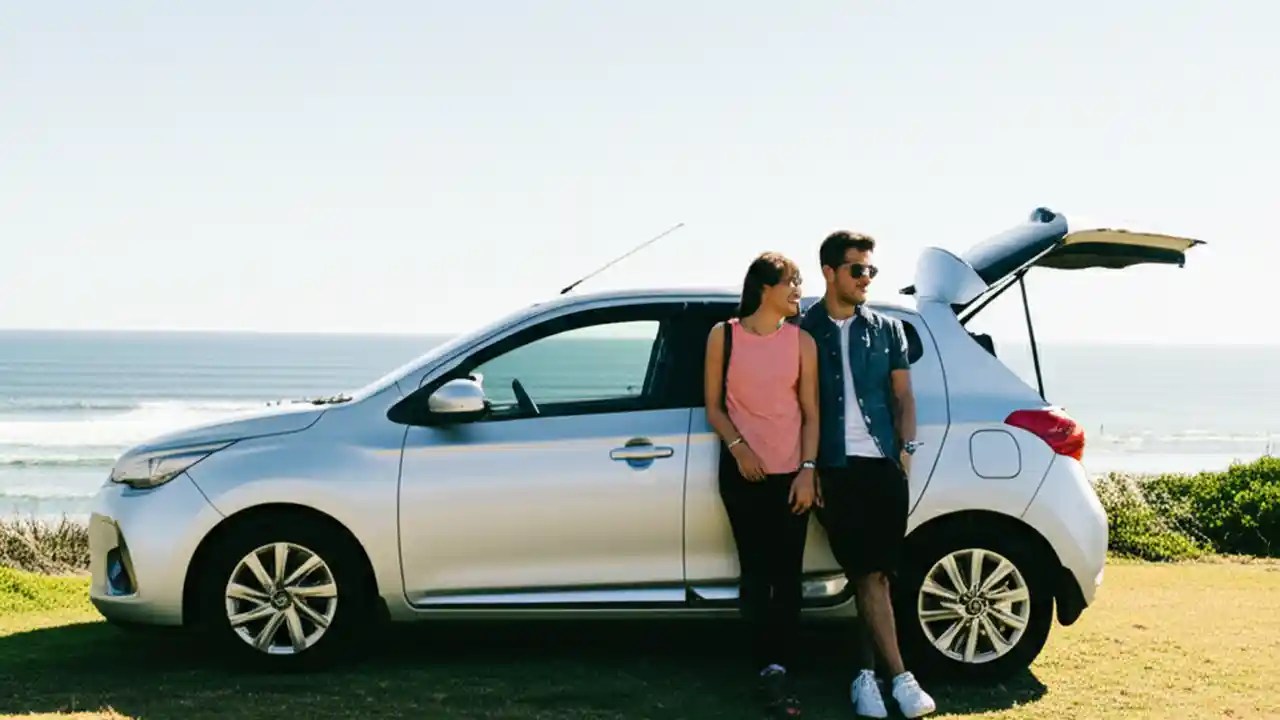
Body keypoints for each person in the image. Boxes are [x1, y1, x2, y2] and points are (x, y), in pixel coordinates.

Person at [799, 231, 937, 718]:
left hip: (883, 466)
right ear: (829, 272)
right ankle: (900, 677)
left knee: (875, 574)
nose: (866, 279)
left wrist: (906, 451)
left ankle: (865, 678)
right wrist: (807, 467)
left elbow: (904, 397)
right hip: (835, 468)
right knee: (866, 573)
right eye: (857, 269)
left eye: (871, 270)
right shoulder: (803, 330)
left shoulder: (887, 329)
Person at [704, 251, 820, 718]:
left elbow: (811, 413)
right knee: (754, 572)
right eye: (792, 282)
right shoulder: (723, 336)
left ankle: (782, 664)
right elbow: (713, 406)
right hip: (742, 473)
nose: (798, 291)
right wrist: (739, 448)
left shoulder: (801, 342)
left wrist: (808, 470)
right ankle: (762, 665)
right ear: (764, 288)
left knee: (787, 575)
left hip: (792, 475)